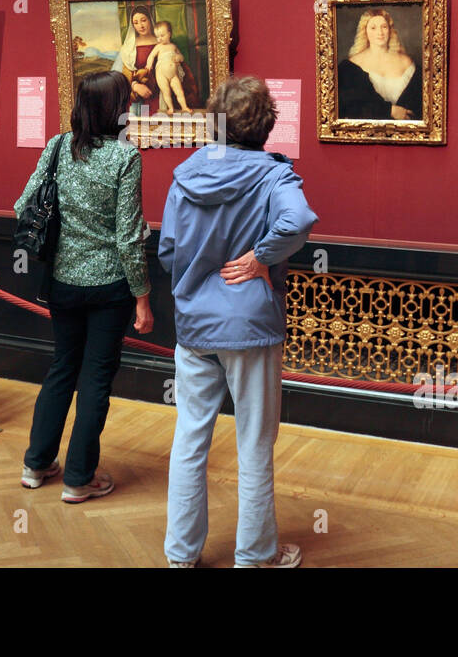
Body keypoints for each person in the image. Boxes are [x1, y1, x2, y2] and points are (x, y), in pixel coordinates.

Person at [159, 76, 317, 567]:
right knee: (254, 442)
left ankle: (181, 555)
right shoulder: (274, 176)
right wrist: (260, 257)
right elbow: (298, 221)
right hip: (249, 324)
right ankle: (254, 557)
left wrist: (200, 271)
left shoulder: (186, 174)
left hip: (195, 326)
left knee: (189, 437)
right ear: (266, 124)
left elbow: (167, 253)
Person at [15, 70, 154, 502]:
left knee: (62, 368)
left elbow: (23, 205)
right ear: (115, 110)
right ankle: (78, 477)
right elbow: (129, 237)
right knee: (94, 379)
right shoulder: (125, 158)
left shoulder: (58, 147)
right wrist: (143, 299)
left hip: (62, 281)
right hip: (110, 286)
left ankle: (36, 464)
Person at [337, 8, 422, 120]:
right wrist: (389, 110)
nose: (380, 32)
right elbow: (351, 105)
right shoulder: (350, 66)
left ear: (390, 30)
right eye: (373, 28)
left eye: (384, 27)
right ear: (365, 31)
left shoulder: (407, 63)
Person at [145, 20, 192, 113]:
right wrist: (149, 64)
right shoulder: (158, 47)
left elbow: (181, 57)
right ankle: (170, 108)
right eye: (157, 37)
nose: (159, 39)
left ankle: (184, 107)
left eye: (162, 35)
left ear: (169, 34)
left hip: (174, 75)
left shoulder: (173, 46)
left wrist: (179, 57)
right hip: (161, 74)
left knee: (179, 91)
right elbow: (151, 56)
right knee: (166, 92)